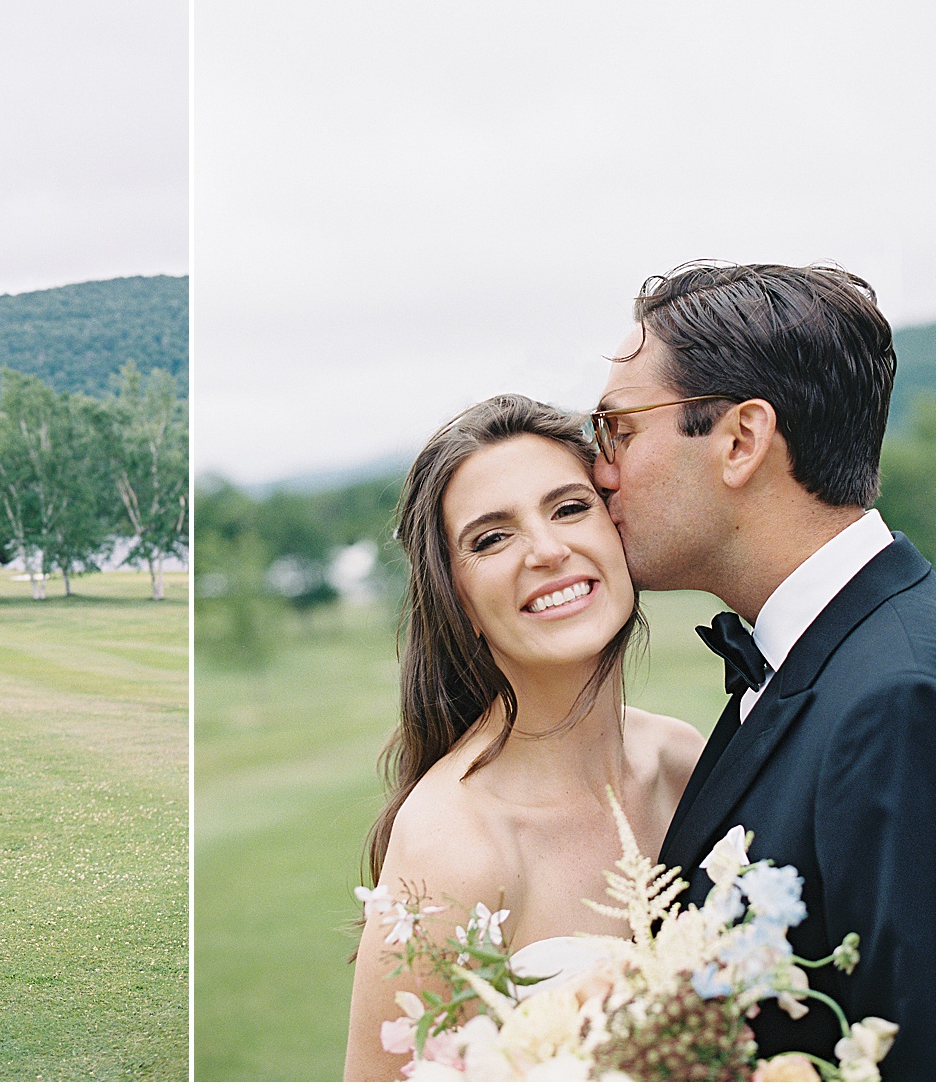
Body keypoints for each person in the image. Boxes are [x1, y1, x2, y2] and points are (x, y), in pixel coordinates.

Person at [592, 261, 935, 1080]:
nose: (598, 470)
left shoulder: (899, 703)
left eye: (618, 431)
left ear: (740, 441)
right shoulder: (818, 659)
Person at [343, 394, 704, 1081]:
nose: (548, 550)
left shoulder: (681, 760)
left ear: (617, 527)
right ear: (459, 599)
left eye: (570, 507)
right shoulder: (451, 848)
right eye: (492, 538)